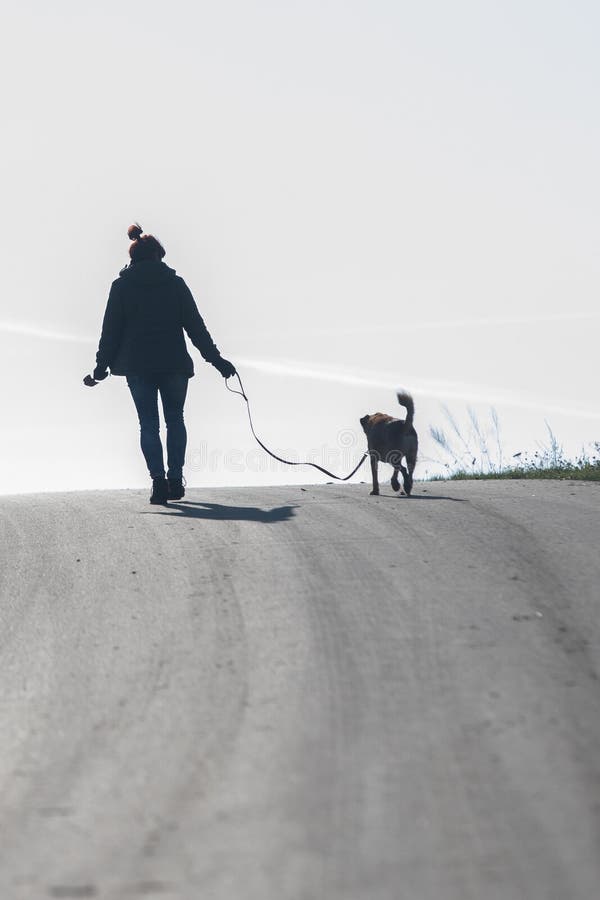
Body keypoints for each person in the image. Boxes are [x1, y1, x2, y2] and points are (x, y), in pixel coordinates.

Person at [84, 223, 236, 504]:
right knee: (175, 420)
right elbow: (196, 328)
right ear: (158, 256)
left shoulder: (121, 287)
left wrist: (100, 368)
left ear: (133, 258)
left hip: (137, 367)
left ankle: (158, 482)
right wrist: (217, 361)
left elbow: (110, 331)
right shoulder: (175, 284)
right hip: (173, 365)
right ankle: (175, 478)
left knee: (148, 425)